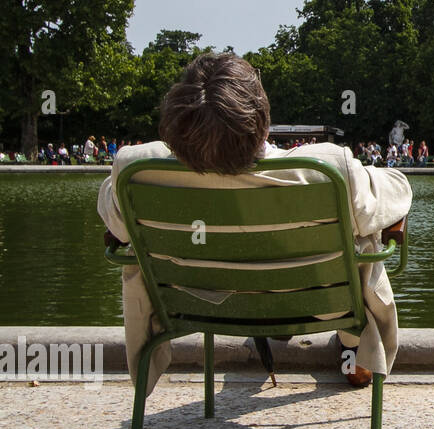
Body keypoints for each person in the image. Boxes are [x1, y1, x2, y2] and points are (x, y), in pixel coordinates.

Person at [97, 53, 410, 397]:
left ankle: (267, 302)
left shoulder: (136, 171)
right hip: (314, 302)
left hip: (201, 304)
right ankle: (354, 344)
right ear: (261, 113)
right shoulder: (325, 168)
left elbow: (115, 221)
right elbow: (395, 194)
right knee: (365, 237)